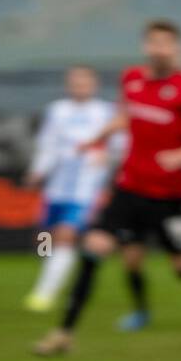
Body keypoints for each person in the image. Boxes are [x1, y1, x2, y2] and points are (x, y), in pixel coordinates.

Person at [32, 20, 181, 354]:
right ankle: (64, 333)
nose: (159, 48)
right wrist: (98, 140)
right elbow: (125, 117)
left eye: (166, 43)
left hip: (168, 195)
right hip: (129, 187)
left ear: (176, 48)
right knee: (93, 250)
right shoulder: (132, 80)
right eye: (154, 42)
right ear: (146, 46)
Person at [23, 66, 120, 312]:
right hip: (56, 187)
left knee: (66, 235)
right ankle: (59, 273)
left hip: (85, 188)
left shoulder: (106, 111)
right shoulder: (57, 110)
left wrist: (107, 158)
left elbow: (120, 144)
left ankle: (44, 294)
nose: (80, 86)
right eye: (75, 81)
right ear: (68, 84)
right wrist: (38, 171)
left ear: (94, 84)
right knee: (45, 240)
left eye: (84, 81)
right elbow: (47, 145)